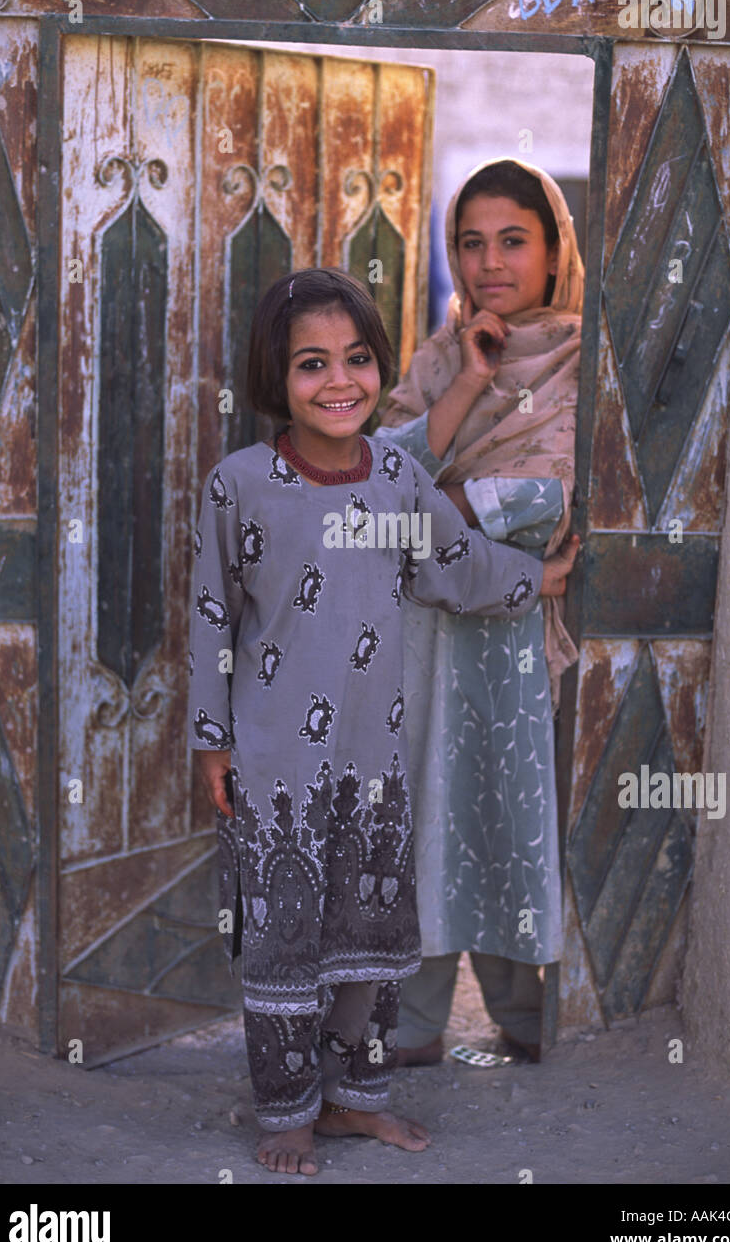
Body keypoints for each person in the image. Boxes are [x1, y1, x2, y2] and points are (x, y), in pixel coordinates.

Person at [187, 267, 579, 1176]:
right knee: (284, 942)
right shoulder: (239, 485)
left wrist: (541, 580)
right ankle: (287, 1112)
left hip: (373, 766)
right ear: (275, 379)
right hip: (273, 765)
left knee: (366, 940)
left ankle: (355, 1103)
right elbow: (210, 617)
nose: (340, 383)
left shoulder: (399, 479)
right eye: (311, 365)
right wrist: (211, 739)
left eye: (358, 360)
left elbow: (456, 566)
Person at [372, 157, 584, 1065]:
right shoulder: (434, 358)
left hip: (514, 640)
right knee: (425, 807)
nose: (491, 261)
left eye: (513, 240)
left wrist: (442, 511)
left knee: (503, 809)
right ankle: (415, 1024)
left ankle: (529, 1017)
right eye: (471, 241)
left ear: (552, 249)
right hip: (422, 633)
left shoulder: (586, 359)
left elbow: (554, 496)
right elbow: (379, 484)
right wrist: (464, 379)